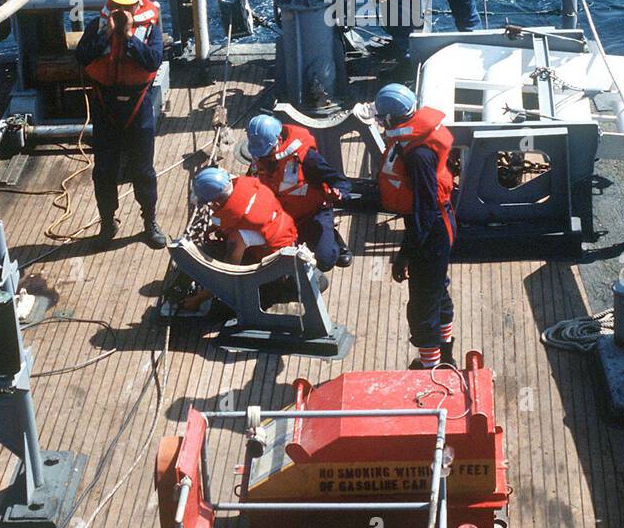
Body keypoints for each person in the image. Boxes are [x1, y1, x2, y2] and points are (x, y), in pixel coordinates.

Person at [76, 0, 166, 248]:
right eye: (118, 4)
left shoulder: (150, 27)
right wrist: (107, 34)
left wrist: (129, 37)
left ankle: (149, 222)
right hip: (106, 106)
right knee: (103, 170)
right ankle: (107, 223)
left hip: (137, 107)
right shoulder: (99, 25)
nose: (121, 10)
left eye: (127, 6)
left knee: (143, 170)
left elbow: (153, 61)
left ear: (139, 3)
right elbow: (82, 56)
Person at [374, 83, 457, 370]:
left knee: (422, 304)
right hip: (437, 223)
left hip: (432, 230)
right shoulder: (412, 141)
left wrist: (405, 254)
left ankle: (430, 367)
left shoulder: (419, 155)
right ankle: (445, 353)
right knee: (437, 291)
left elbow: (424, 208)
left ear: (390, 119)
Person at [179, 167, 300, 312]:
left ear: (216, 202)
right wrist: (215, 227)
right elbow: (241, 212)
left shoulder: (239, 237)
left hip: (277, 270)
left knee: (227, 306)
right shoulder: (249, 185)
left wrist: (197, 299)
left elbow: (228, 274)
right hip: (285, 235)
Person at [246, 114, 353, 271]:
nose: (265, 159)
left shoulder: (306, 158)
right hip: (283, 216)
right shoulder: (260, 157)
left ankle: (335, 240)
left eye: (268, 153)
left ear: (279, 139)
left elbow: (340, 181)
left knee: (325, 261)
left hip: (315, 213)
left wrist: (339, 194)